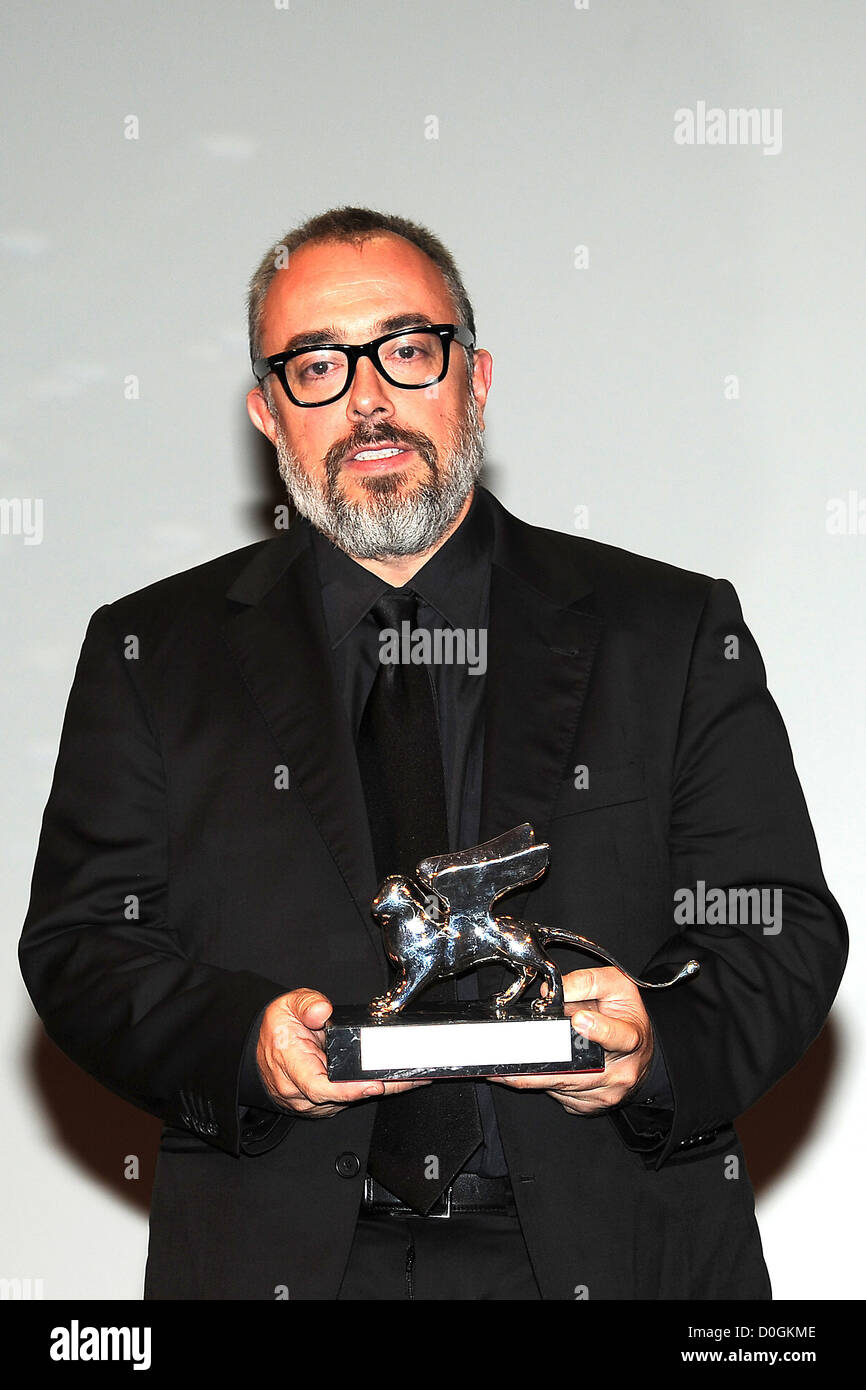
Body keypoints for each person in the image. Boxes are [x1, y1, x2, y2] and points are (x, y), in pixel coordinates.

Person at [19, 207, 848, 1301]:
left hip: (621, 1257)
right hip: (279, 1261)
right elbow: (82, 947)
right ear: (269, 414)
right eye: (316, 364)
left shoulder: (669, 629)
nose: (366, 398)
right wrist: (240, 1045)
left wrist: (657, 1043)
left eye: (406, 350)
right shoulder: (151, 653)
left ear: (476, 378)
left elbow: (777, 928)